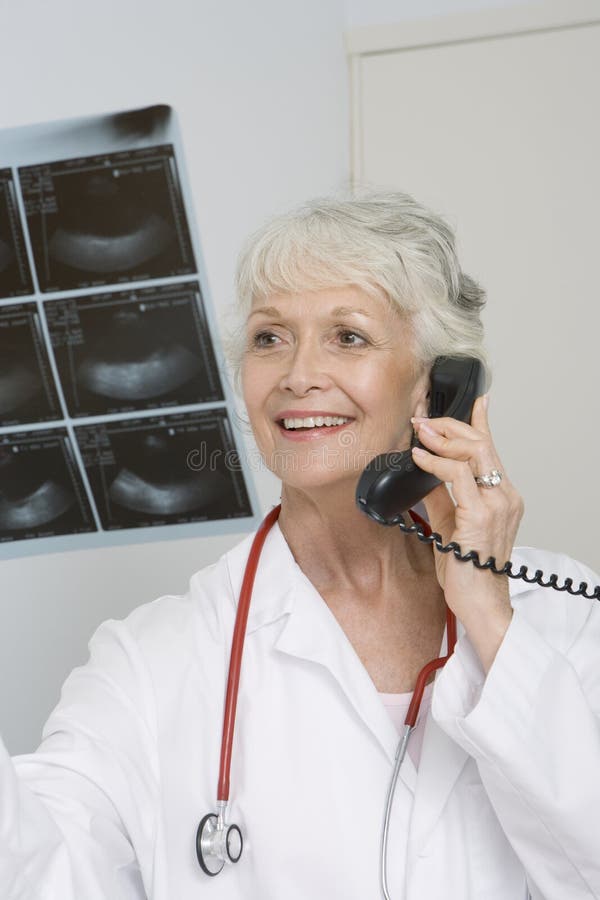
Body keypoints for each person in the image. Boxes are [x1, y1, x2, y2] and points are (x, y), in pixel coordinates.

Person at [1, 191, 599, 900]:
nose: (296, 375)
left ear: (436, 387)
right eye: (269, 338)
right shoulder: (152, 660)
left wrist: (491, 617)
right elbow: (41, 873)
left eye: (347, 337)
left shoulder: (565, 619)